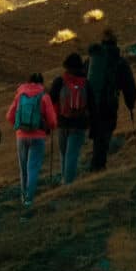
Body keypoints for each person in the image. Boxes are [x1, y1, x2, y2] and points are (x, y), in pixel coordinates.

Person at [85, 31, 136, 172]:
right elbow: (129, 86)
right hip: (109, 105)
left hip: (91, 105)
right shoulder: (119, 62)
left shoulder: (92, 60)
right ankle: (98, 167)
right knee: (104, 135)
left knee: (98, 135)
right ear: (115, 43)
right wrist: (130, 104)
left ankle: (96, 165)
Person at [6, 72, 57, 208]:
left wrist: (19, 127)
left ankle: (24, 198)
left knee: (23, 169)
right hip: (38, 136)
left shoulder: (20, 95)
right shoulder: (44, 96)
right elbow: (52, 121)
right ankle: (29, 199)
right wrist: (49, 127)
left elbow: (9, 116)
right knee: (32, 168)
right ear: (41, 83)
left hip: (21, 136)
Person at [49, 52, 91, 184]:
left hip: (62, 123)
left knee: (64, 154)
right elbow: (92, 104)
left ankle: (65, 180)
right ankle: (68, 183)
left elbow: (50, 100)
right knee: (72, 155)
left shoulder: (60, 81)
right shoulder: (86, 83)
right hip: (79, 124)